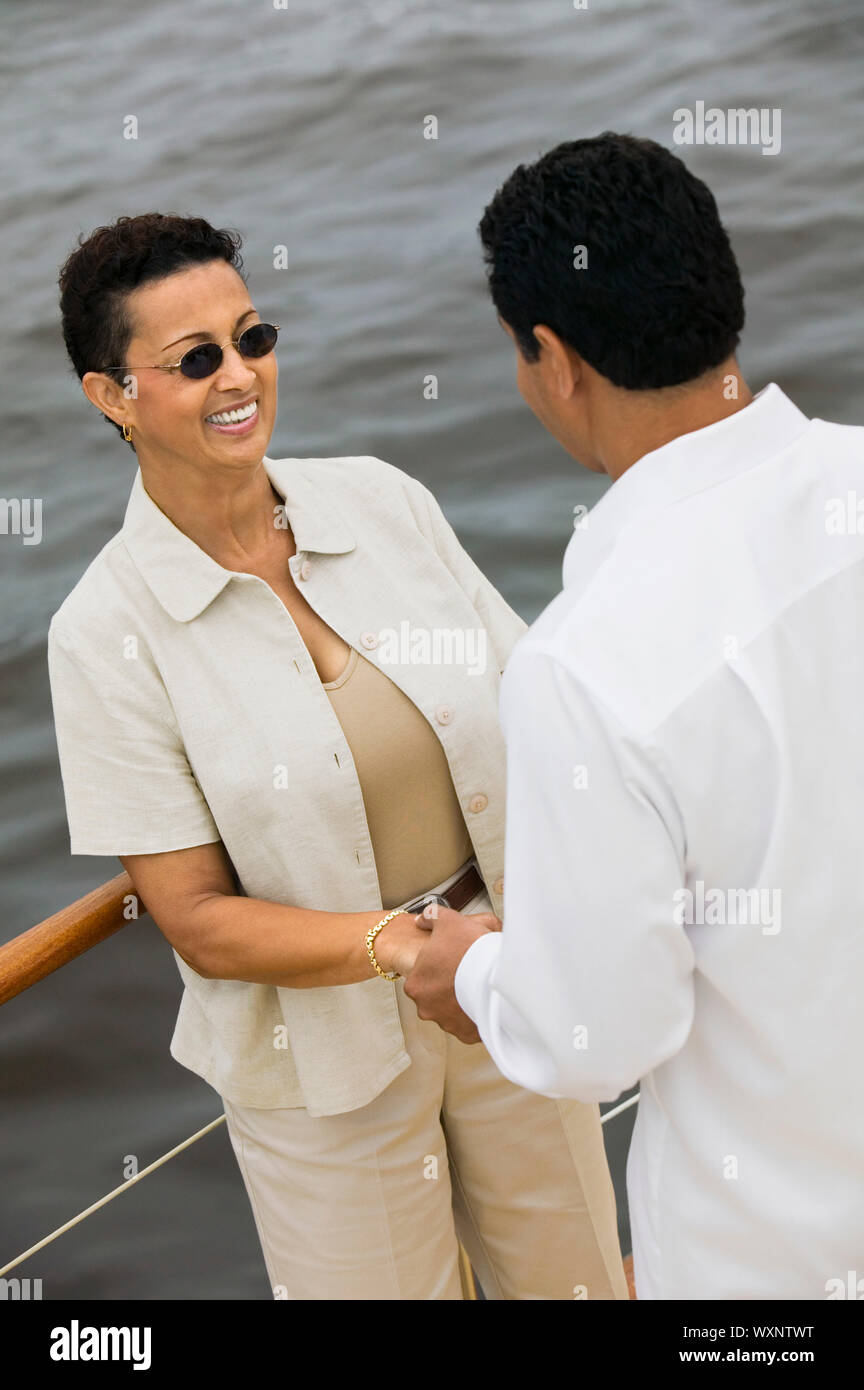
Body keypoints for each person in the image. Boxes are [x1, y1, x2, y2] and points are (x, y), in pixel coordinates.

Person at [46, 212, 629, 1301]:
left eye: (252, 337)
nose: (240, 377)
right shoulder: (101, 634)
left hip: (509, 979)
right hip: (318, 1068)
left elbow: (539, 706)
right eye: (195, 359)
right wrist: (408, 948)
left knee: (581, 1286)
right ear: (110, 396)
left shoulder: (381, 499)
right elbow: (197, 921)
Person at [405, 132, 864, 1300]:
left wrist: (476, 972)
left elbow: (595, 1034)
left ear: (552, 358)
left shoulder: (583, 665)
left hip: (773, 1263)